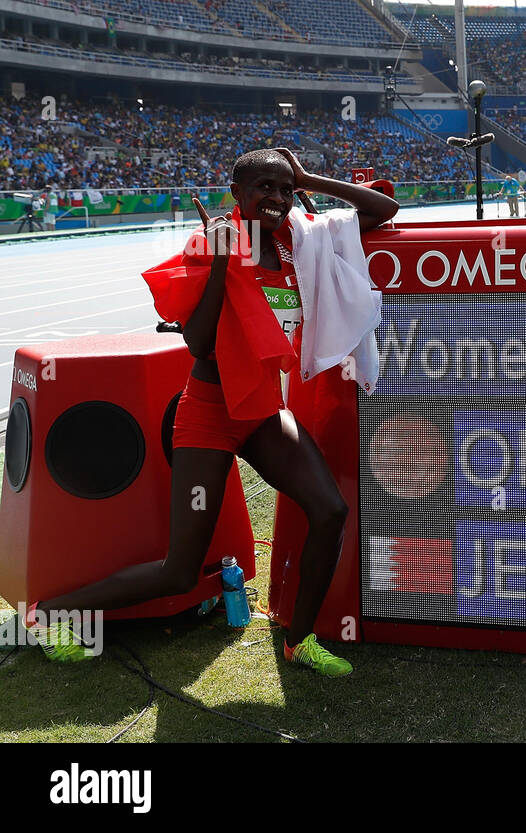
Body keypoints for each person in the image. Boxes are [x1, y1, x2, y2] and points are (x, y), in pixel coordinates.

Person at [23, 148, 399, 677]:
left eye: (283, 188)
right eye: (263, 187)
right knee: (180, 572)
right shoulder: (208, 243)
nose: (275, 197)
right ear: (238, 194)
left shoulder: (301, 240)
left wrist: (308, 177)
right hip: (209, 414)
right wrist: (223, 262)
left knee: (330, 510)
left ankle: (300, 640)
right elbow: (199, 343)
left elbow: (383, 210)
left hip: (264, 412)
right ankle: (49, 611)